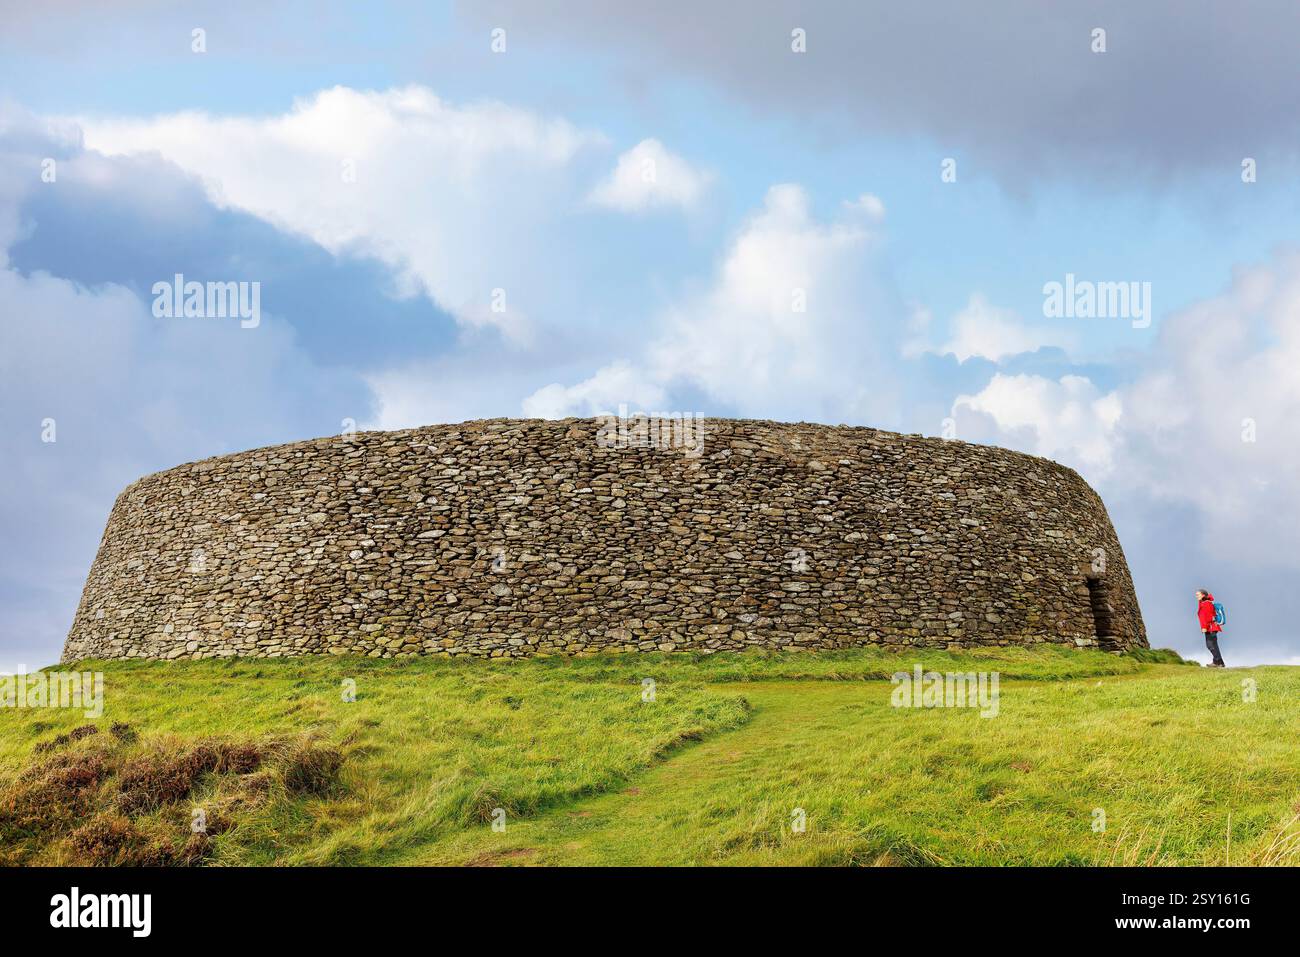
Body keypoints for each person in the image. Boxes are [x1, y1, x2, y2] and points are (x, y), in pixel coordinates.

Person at [1196, 588, 1225, 667]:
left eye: (1198, 594)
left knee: (1210, 645)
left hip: (1210, 627)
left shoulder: (1206, 603)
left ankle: (1218, 662)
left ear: (1203, 595)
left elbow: (1208, 617)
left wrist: (1204, 627)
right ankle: (1219, 662)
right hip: (1210, 627)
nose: (1196, 596)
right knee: (1213, 645)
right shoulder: (1204, 602)